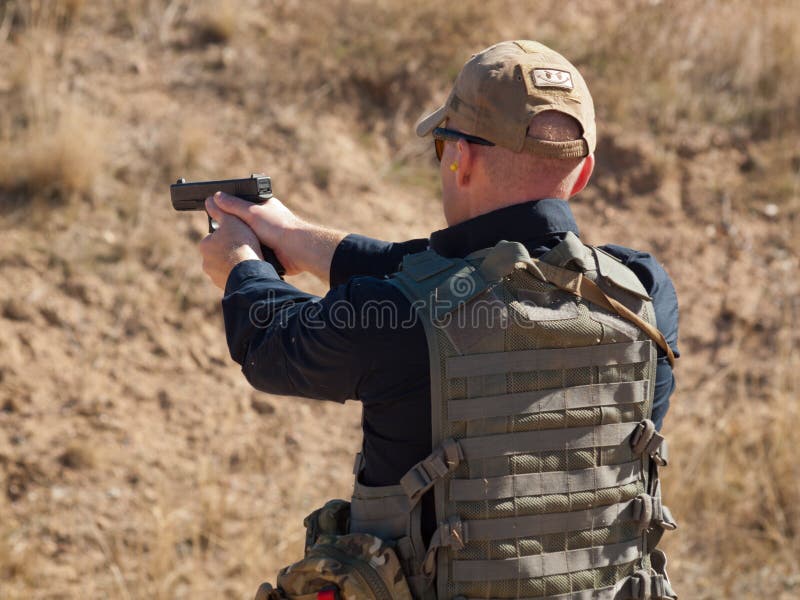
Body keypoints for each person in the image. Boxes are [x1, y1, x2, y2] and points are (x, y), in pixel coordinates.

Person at [200, 40, 679, 600]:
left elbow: (270, 344)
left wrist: (239, 264)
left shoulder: (397, 316)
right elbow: (460, 275)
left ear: (462, 157)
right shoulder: (643, 293)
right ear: (582, 172)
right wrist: (295, 237)